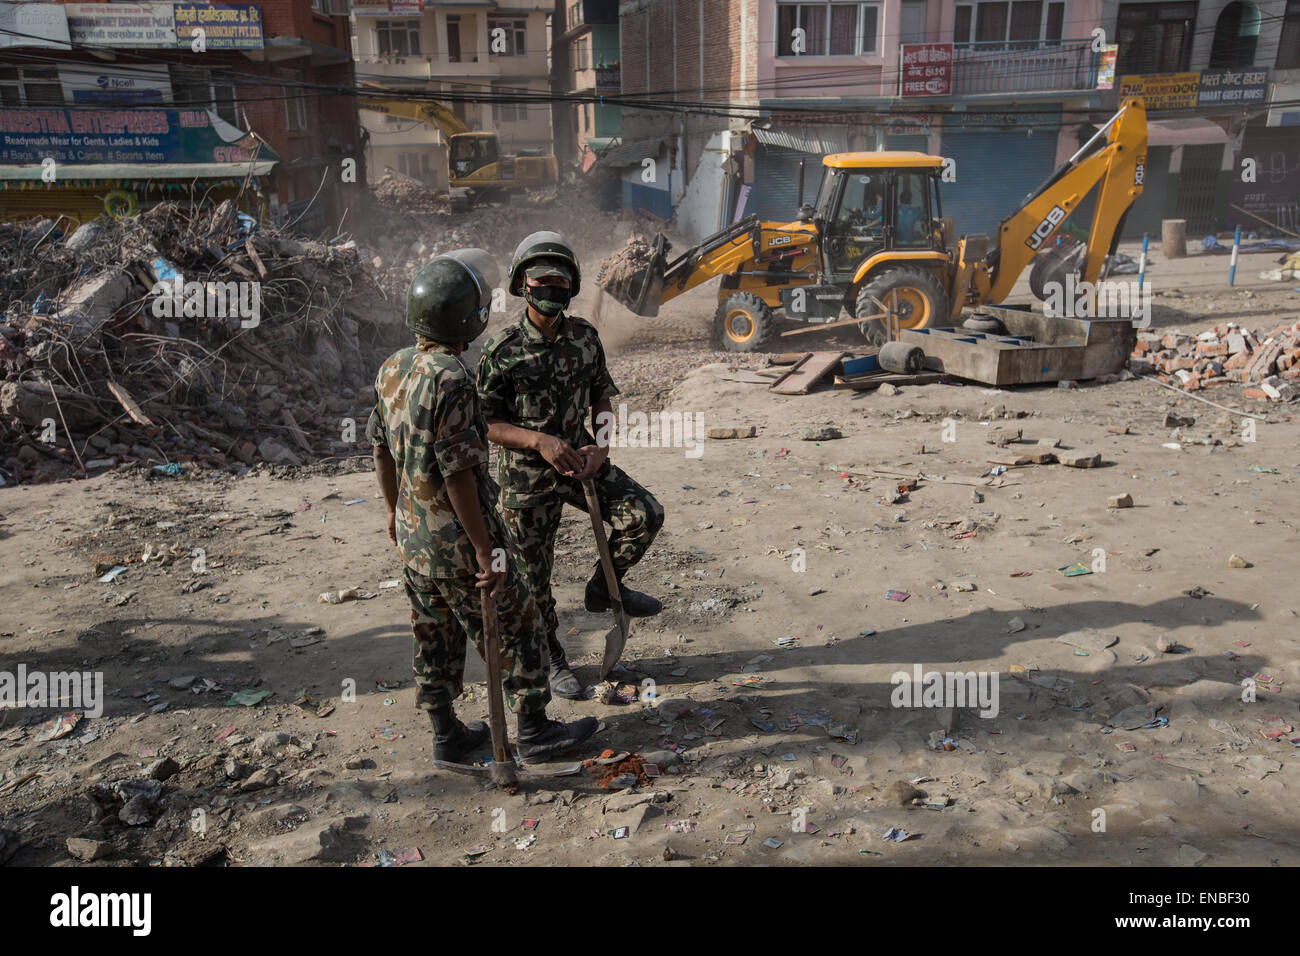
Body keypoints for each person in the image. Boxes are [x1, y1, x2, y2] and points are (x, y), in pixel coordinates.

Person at [367, 249, 599, 766]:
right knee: (519, 624)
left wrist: (390, 511)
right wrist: (483, 550)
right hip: (458, 541)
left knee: (434, 632)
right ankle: (535, 731)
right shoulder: (452, 379)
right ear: (466, 318)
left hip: (413, 539)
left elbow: (381, 449)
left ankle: (447, 734)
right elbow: (459, 477)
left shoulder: (391, 369)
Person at [476, 232, 665, 699]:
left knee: (645, 514)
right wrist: (538, 441)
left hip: (582, 461)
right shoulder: (501, 350)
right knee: (533, 579)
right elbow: (484, 421)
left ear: (572, 286)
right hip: (526, 477)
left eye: (561, 281)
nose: (552, 288)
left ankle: (604, 587)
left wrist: (600, 447)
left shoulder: (584, 337)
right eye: (542, 280)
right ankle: (551, 657)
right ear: (523, 285)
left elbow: (601, 396)